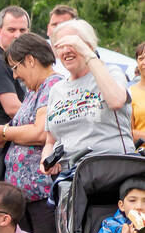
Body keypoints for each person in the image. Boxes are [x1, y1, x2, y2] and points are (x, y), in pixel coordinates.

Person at [0, 33, 61, 233]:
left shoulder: (53, 85)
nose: (15, 75)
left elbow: (41, 132)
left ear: (30, 60)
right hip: (25, 197)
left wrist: (4, 133)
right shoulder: (34, 90)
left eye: (16, 67)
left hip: (42, 196)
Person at [42, 19, 134, 175]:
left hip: (112, 170)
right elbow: (50, 141)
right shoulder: (56, 89)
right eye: (60, 46)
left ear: (89, 46)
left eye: (72, 44)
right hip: (71, 177)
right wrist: (46, 160)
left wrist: (87, 54)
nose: (66, 51)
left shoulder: (110, 72)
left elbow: (117, 101)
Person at [131, 41, 145, 148]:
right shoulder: (130, 93)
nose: (144, 62)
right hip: (141, 158)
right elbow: (127, 131)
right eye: (141, 58)